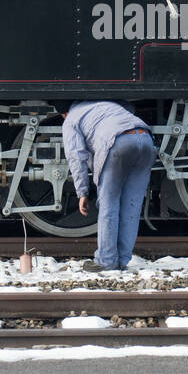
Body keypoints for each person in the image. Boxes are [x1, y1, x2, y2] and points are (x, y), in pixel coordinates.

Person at [60, 100, 156, 272]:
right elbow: (131, 108)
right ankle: (122, 260)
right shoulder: (108, 105)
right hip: (146, 139)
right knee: (132, 207)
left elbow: (76, 157)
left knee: (109, 204)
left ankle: (106, 261)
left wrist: (82, 192)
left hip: (118, 143)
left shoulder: (70, 120)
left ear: (64, 113)